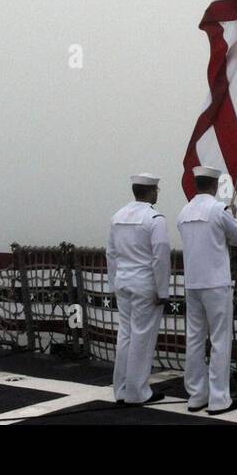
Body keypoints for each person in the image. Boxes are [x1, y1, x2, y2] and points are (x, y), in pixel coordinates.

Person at [178, 165, 237, 415]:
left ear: (197, 184)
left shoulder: (184, 212)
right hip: (216, 283)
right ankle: (219, 399)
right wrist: (234, 215)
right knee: (219, 340)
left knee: (194, 340)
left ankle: (197, 396)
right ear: (215, 185)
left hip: (192, 283)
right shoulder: (220, 209)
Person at [106, 173, 171, 405]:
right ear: (152, 191)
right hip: (145, 285)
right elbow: (160, 256)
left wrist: (114, 282)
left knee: (125, 336)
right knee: (142, 338)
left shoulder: (118, 216)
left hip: (123, 282)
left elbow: (111, 253)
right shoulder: (155, 218)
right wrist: (163, 290)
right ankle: (138, 391)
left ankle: (121, 390)